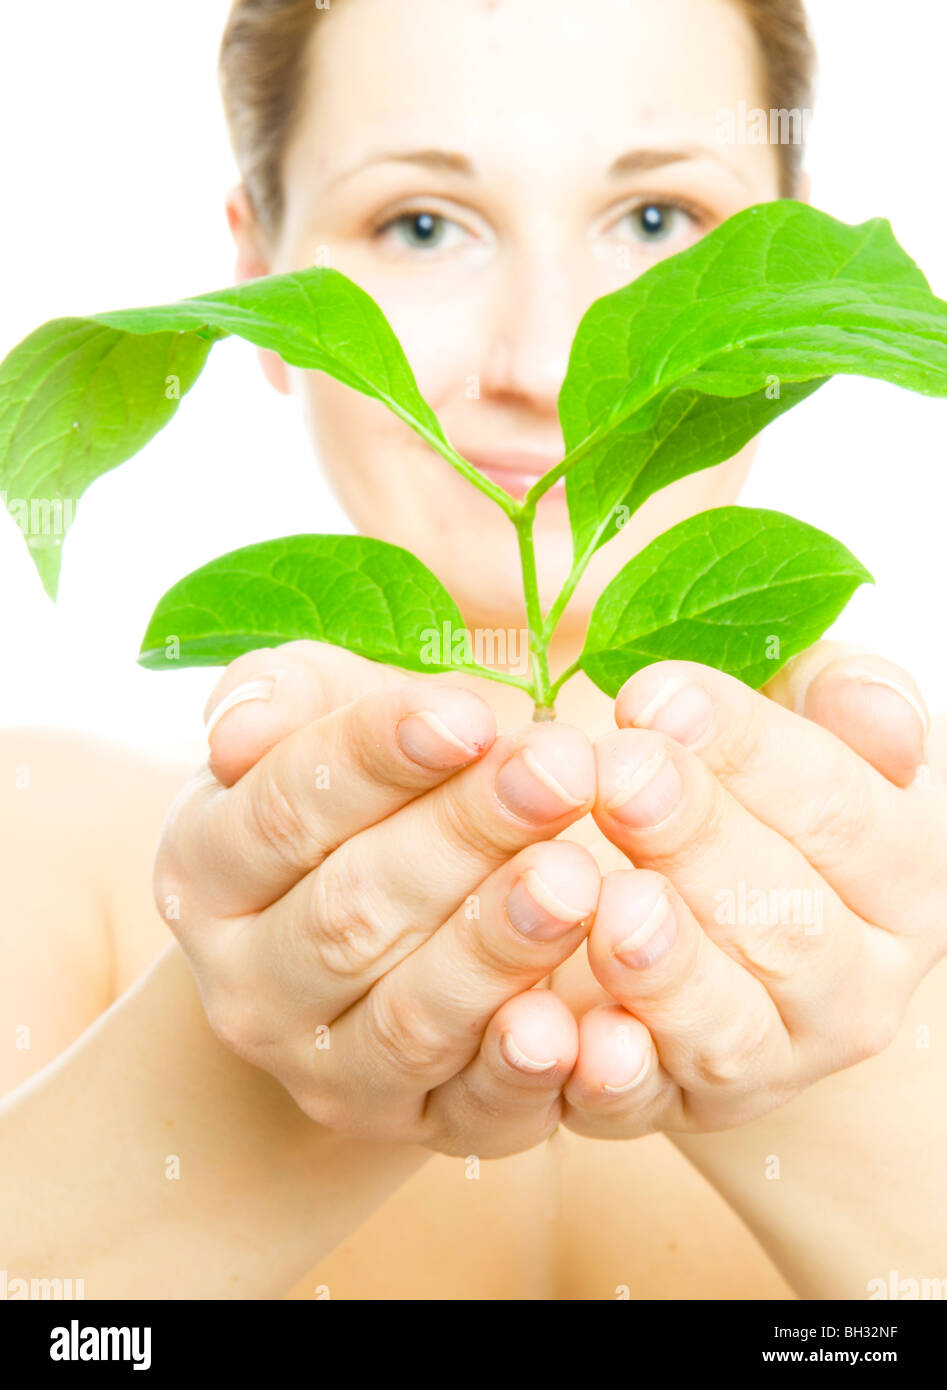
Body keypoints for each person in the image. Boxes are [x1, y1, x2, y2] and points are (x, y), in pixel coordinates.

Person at [3, 0, 945, 1301]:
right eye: (423, 225)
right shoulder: (41, 844)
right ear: (261, 259)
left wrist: (822, 1057)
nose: (547, 364)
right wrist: (263, 1070)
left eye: (660, 221)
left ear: (798, 251)